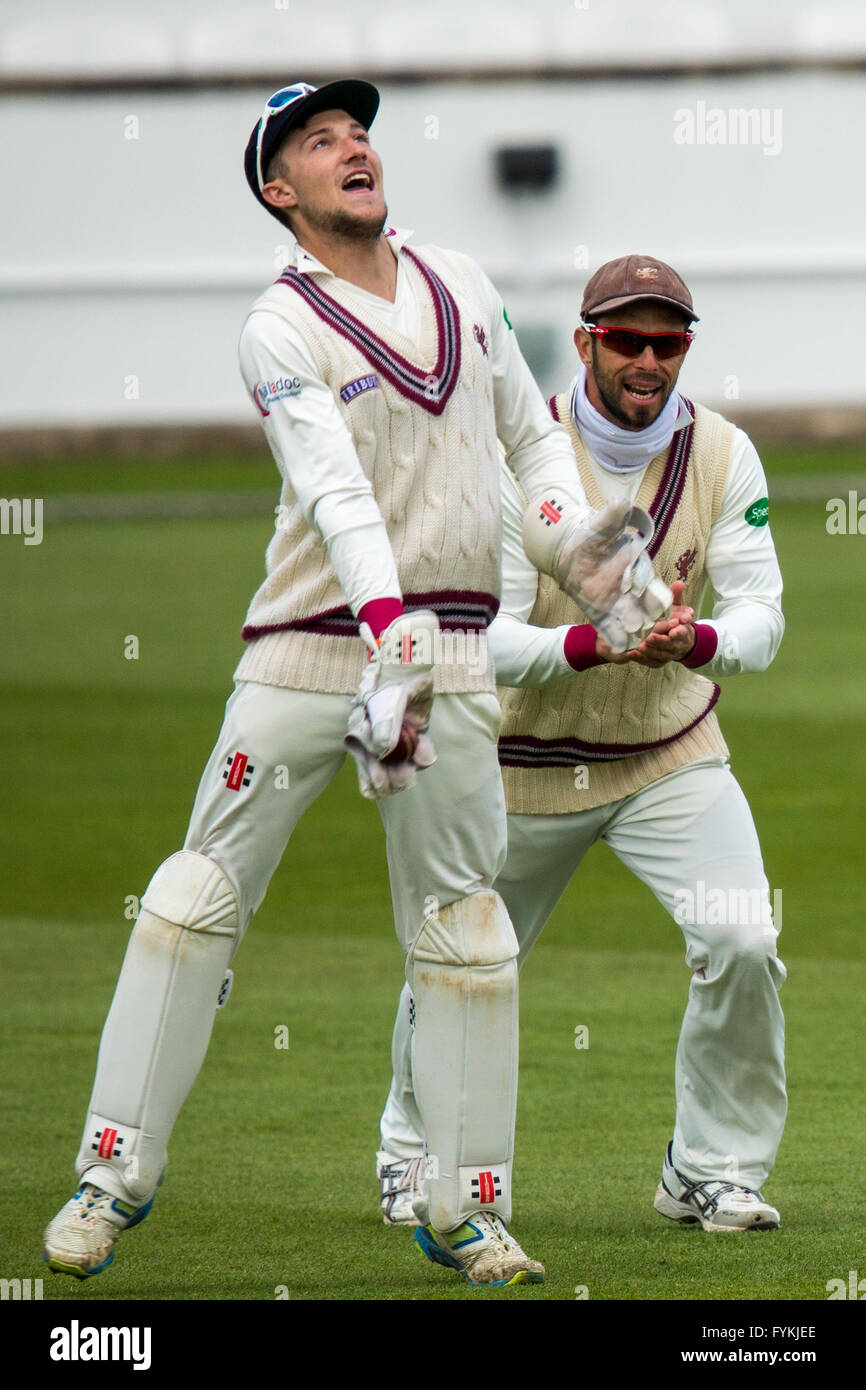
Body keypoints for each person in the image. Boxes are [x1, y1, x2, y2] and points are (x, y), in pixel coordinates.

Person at [42, 85, 668, 1289]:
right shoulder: (278, 328)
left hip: (451, 656)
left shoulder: (463, 283)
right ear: (280, 190)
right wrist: (385, 634)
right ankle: (108, 1182)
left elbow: (526, 448)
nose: (354, 148)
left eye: (357, 132)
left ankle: (462, 1205)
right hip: (310, 646)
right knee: (193, 896)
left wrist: (589, 564)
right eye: (321, 142)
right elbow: (332, 490)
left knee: (465, 923)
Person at [378, 254, 788, 1237]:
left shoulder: (723, 453)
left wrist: (692, 640)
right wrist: (585, 642)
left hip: (666, 753)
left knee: (741, 937)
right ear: (585, 343)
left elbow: (762, 617)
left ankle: (708, 1168)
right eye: (627, 339)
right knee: (464, 958)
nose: (647, 359)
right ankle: (410, 1153)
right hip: (520, 766)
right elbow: (486, 638)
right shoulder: (522, 457)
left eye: (667, 341)